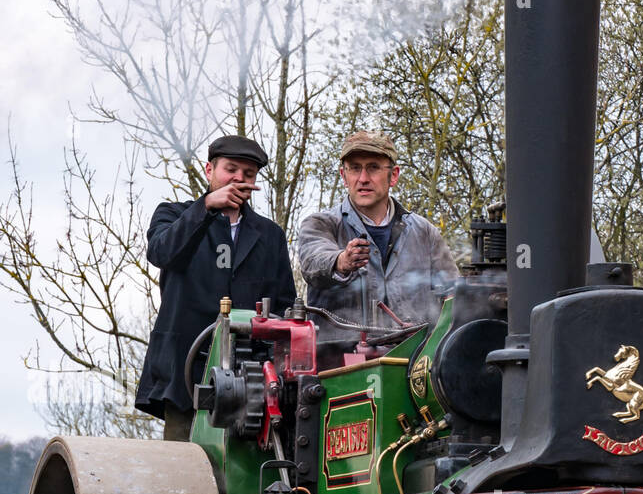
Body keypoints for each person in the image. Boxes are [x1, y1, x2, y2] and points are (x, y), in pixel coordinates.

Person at [135, 135, 297, 440]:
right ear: (210, 170)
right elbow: (162, 253)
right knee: (183, 470)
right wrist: (207, 206)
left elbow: (283, 306)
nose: (239, 179)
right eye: (231, 169)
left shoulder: (270, 235)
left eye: (248, 174)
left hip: (249, 384)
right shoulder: (173, 214)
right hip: (184, 375)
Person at [297, 131, 459, 336]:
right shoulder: (320, 224)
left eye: (373, 167)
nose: (363, 178)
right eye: (355, 168)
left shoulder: (425, 233)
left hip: (414, 360)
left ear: (394, 175)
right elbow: (313, 261)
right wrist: (341, 261)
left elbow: (453, 296)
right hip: (340, 363)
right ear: (343, 176)